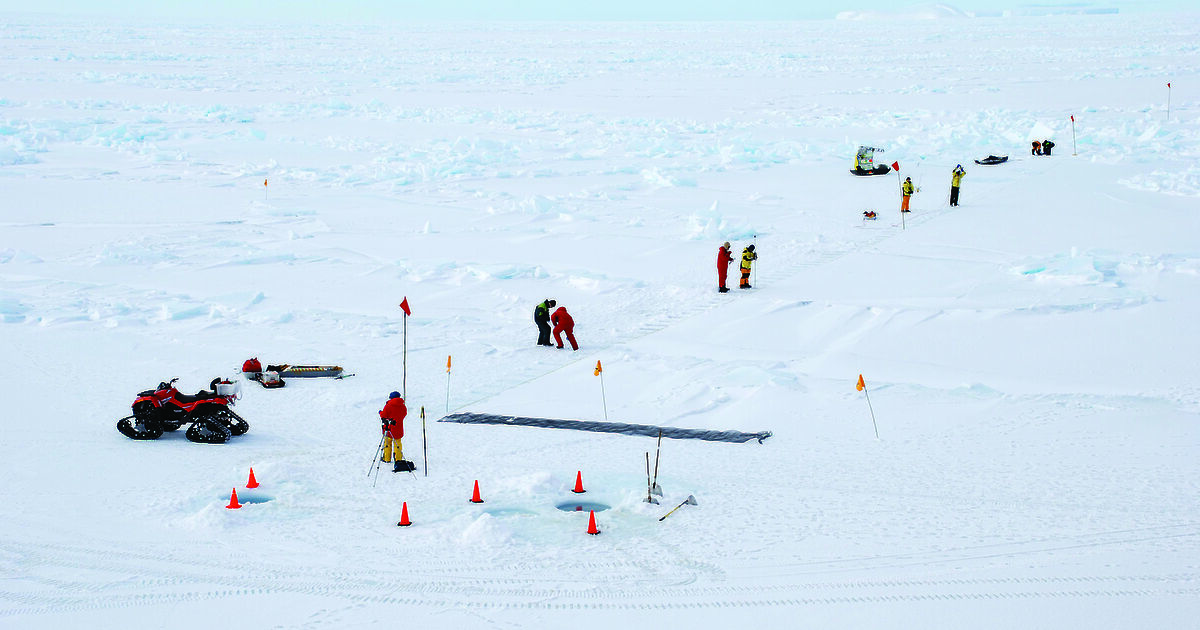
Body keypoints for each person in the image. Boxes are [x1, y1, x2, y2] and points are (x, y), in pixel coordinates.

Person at [379, 391, 412, 472]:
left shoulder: (388, 405)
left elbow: (384, 415)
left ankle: (387, 458)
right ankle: (398, 459)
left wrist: (380, 413)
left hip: (389, 428)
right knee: (398, 444)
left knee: (387, 443)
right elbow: (404, 414)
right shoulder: (403, 406)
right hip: (399, 428)